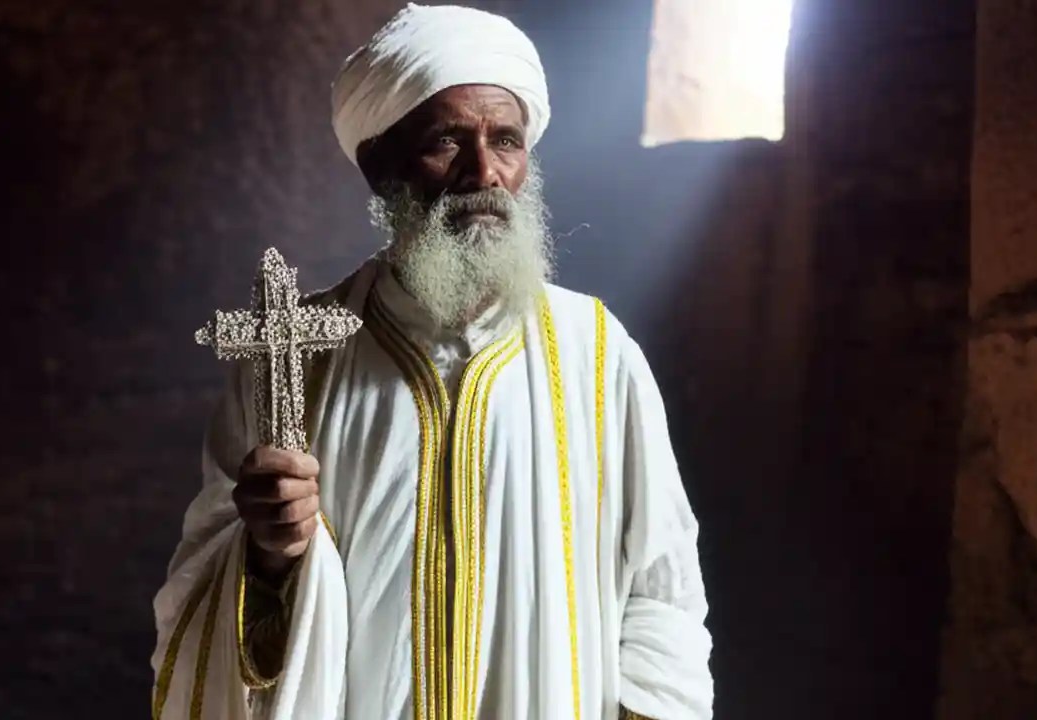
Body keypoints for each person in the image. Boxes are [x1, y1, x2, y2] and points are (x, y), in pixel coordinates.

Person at [150, 5, 712, 719]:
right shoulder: (294, 359)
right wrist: (268, 555)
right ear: (381, 169)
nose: (484, 172)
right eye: (448, 140)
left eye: (505, 140)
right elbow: (198, 598)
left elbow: (662, 596)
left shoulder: (599, 358)